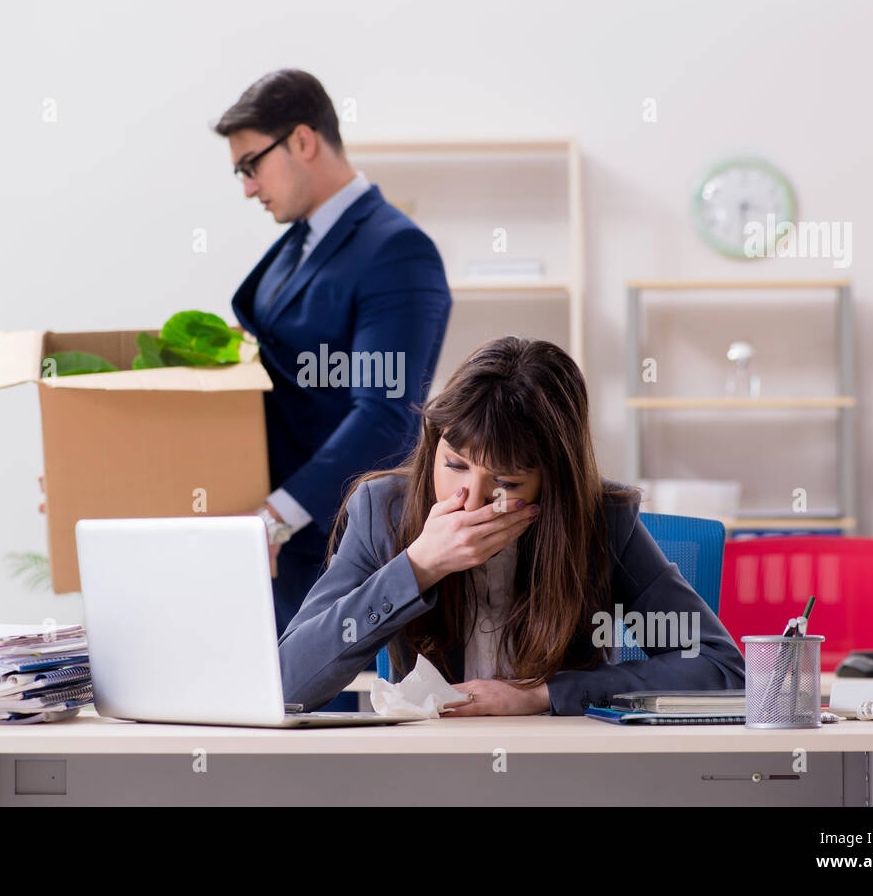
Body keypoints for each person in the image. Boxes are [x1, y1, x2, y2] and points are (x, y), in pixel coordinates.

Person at [277, 336, 747, 715]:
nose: (470, 501)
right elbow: (286, 683)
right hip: (432, 770)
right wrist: (416, 567)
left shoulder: (601, 518)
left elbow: (722, 669)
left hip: (561, 770)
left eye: (505, 481)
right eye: (455, 464)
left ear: (552, 484)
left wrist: (544, 694)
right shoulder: (383, 511)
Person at [215, 69, 453, 684]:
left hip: (330, 542)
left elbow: (385, 413)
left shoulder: (396, 250)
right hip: (270, 540)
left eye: (250, 165)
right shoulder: (299, 244)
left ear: (302, 141)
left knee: (313, 732)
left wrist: (276, 515)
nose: (246, 188)